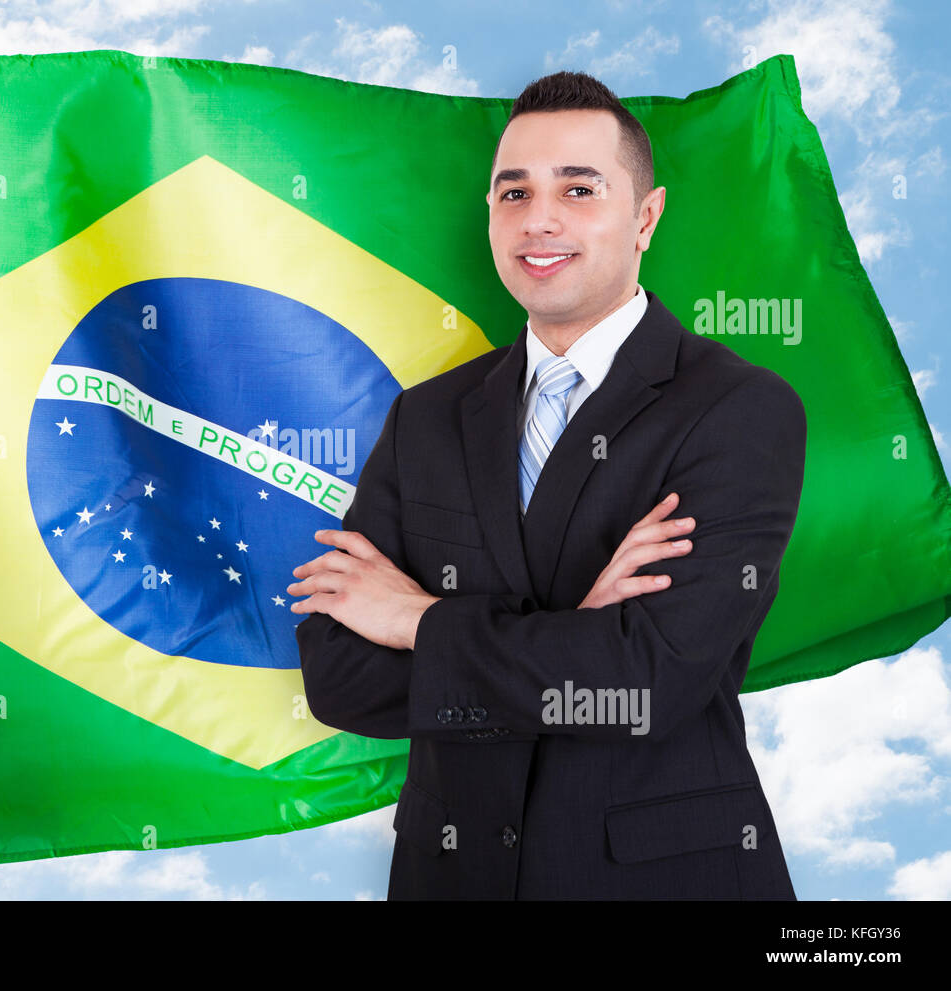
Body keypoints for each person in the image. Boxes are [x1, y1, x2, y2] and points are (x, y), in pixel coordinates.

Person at [289, 70, 805, 900]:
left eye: (579, 188)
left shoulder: (737, 409)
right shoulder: (425, 417)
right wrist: (576, 637)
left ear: (646, 217)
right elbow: (339, 678)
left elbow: (644, 684)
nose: (540, 218)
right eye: (514, 192)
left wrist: (416, 620)